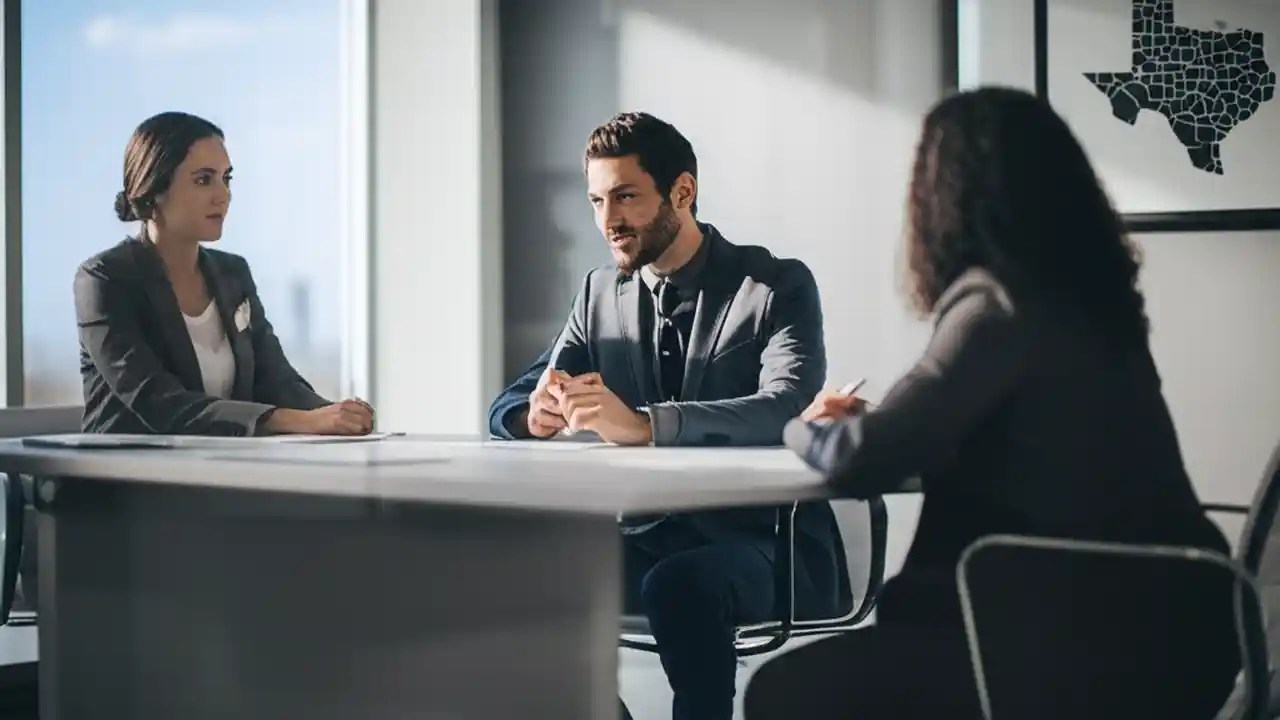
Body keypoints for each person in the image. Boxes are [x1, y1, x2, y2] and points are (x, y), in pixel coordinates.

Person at [744, 87, 1239, 719]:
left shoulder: (995, 304)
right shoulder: (1095, 307)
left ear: (945, 198)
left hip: (1058, 644)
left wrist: (801, 424)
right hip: (1178, 631)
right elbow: (1028, 441)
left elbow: (859, 461)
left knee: (781, 692)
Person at [487, 112, 848, 720]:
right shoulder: (600, 293)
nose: (607, 222)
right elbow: (508, 404)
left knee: (681, 584)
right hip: (651, 539)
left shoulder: (774, 287)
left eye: (626, 197)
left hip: (768, 546)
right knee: (528, 576)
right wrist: (536, 413)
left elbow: (786, 409)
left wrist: (647, 425)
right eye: (597, 200)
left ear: (683, 192)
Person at [75, 111, 373, 436]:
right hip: (120, 478)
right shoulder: (104, 279)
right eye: (204, 180)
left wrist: (337, 416)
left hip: (214, 473)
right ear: (154, 188)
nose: (223, 195)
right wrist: (304, 421)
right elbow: (160, 403)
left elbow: (276, 381)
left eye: (226, 178)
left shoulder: (233, 273)